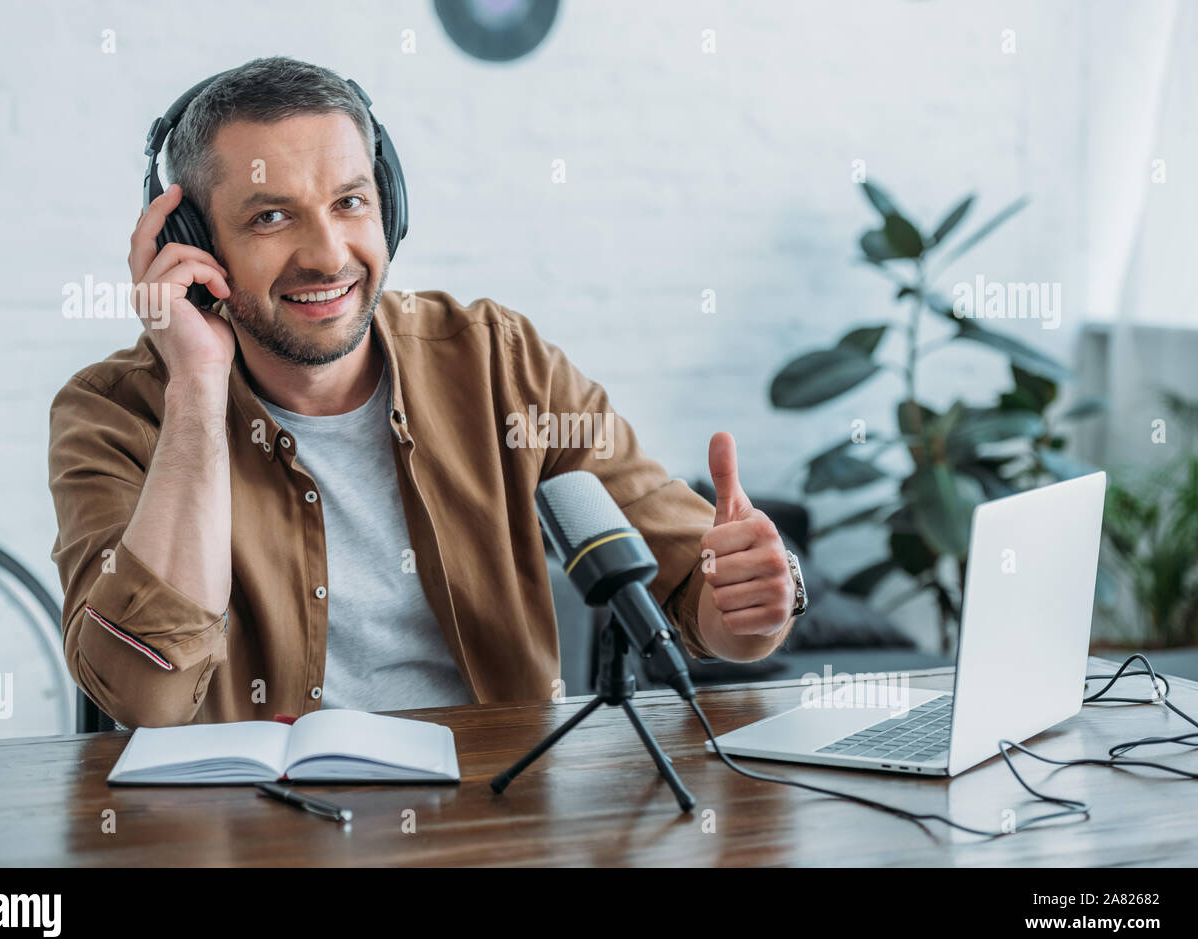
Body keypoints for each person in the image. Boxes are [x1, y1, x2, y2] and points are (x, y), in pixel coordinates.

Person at [47, 56, 796, 729]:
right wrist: (198, 388)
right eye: (270, 216)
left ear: (389, 205)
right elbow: (147, 697)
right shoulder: (113, 413)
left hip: (494, 817)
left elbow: (694, 596)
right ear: (195, 244)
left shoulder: (499, 362)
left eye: (349, 202)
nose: (328, 255)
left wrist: (750, 607)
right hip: (253, 831)